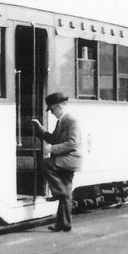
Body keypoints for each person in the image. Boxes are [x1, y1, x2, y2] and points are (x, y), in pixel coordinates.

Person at [31, 92, 83, 232]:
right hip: (65, 159)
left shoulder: (70, 120)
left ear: (59, 107)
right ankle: (64, 223)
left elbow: (73, 143)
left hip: (70, 159)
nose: (52, 113)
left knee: (46, 164)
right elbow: (53, 138)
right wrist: (39, 128)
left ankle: (58, 193)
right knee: (66, 192)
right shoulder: (62, 120)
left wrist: (52, 149)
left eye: (52, 110)